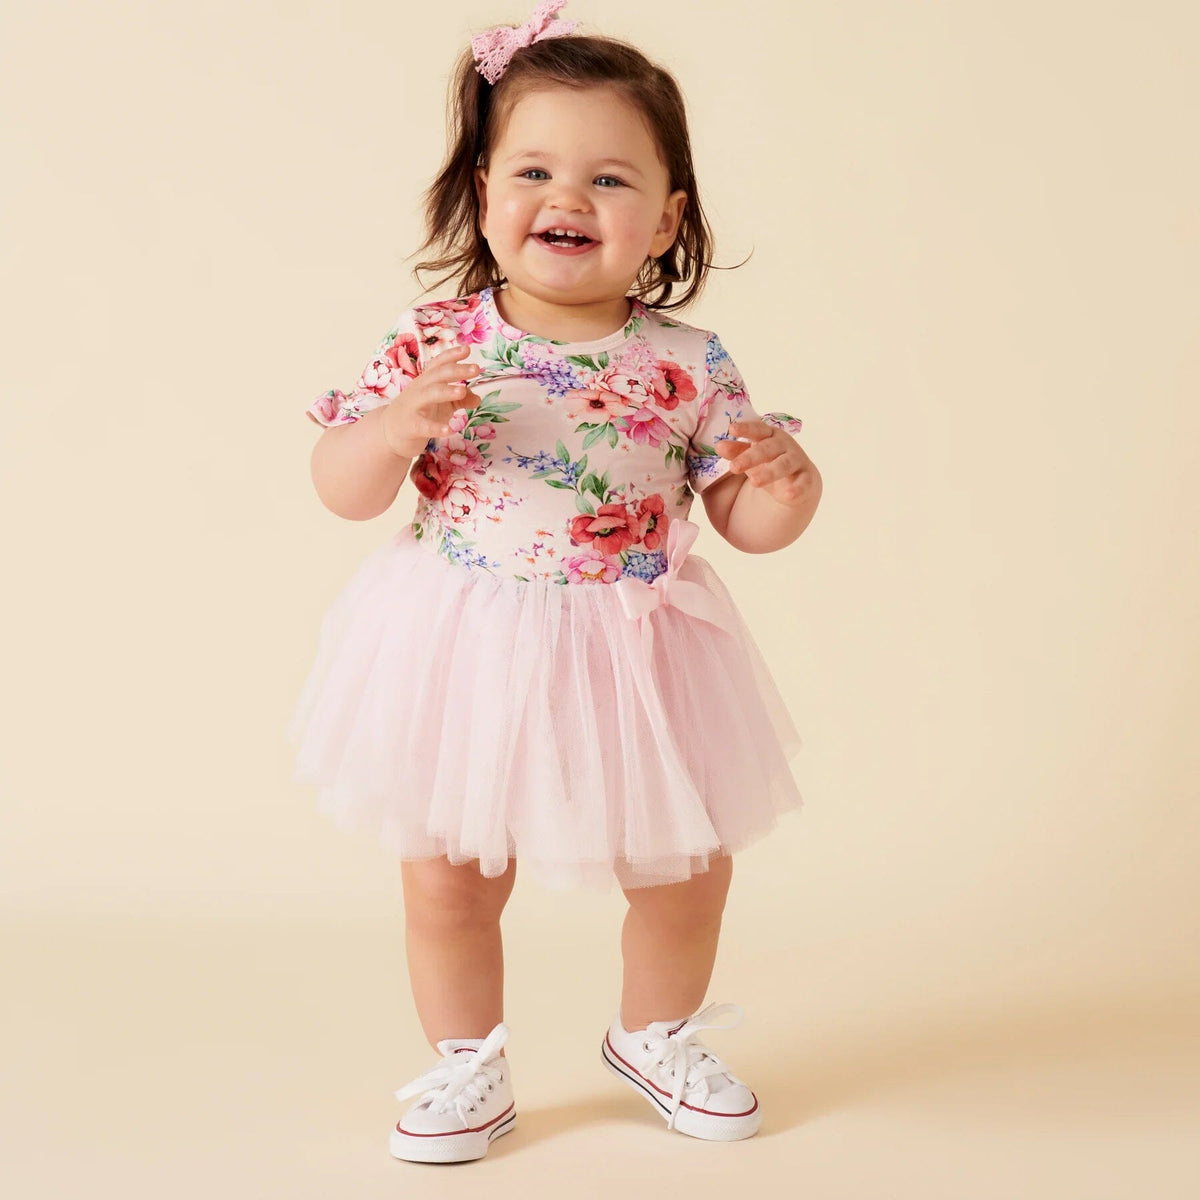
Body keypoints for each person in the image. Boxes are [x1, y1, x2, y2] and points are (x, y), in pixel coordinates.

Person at [285, 0, 822, 1163]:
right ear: (485, 194)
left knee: (686, 870)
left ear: (666, 217)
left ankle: (654, 1034)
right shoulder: (437, 340)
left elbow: (744, 518)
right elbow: (341, 486)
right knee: (449, 874)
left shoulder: (687, 362)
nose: (567, 197)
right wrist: (392, 429)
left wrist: (787, 484)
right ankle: (465, 1063)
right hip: (465, 641)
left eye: (610, 179)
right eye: (533, 170)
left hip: (638, 646)